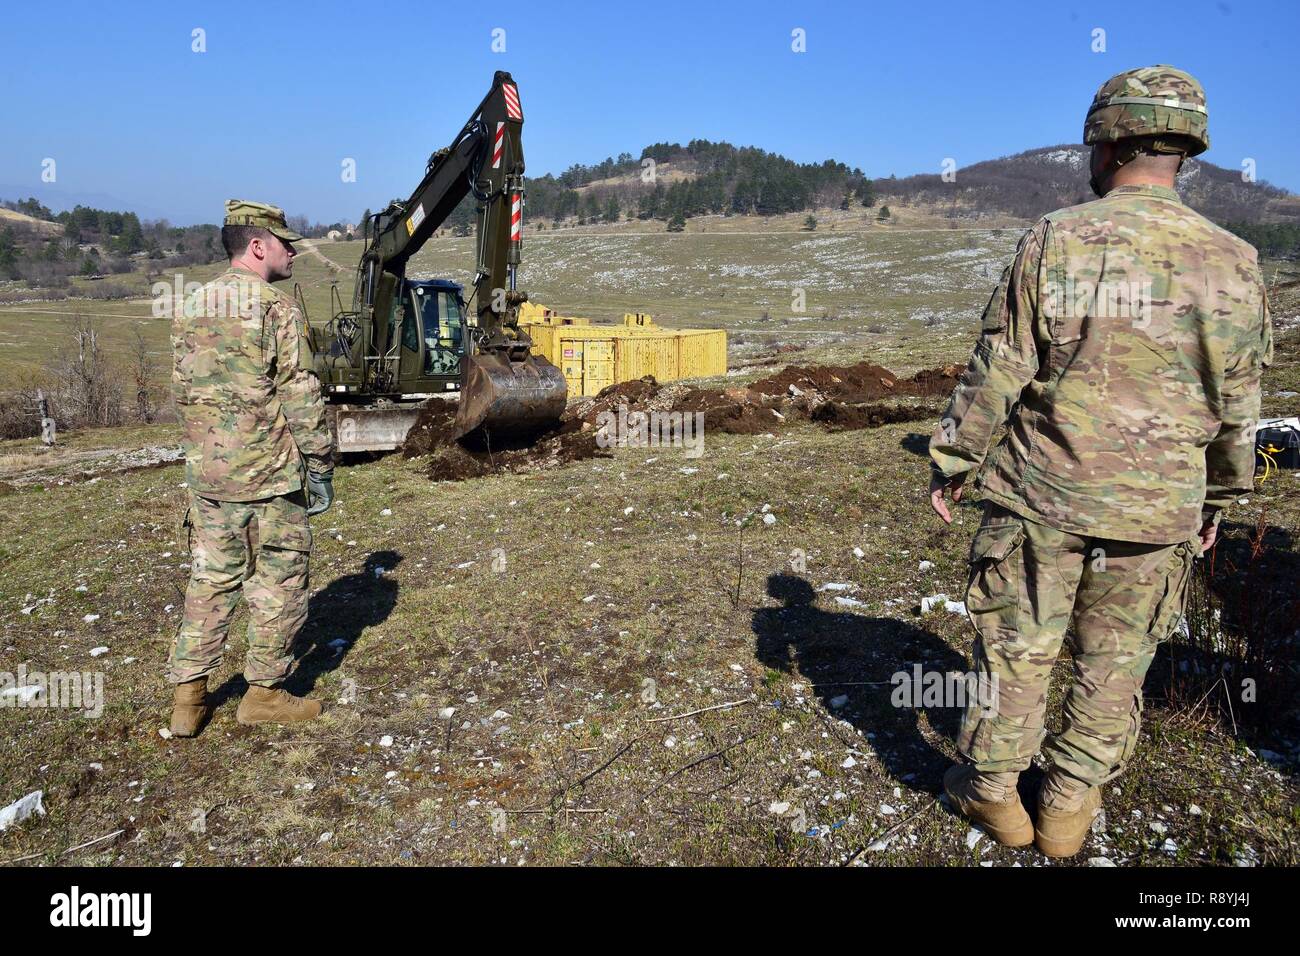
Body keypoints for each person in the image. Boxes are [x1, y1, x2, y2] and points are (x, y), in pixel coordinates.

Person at [927, 66, 1272, 857]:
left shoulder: (1057, 238)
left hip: (1042, 493)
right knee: (1115, 661)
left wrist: (954, 457)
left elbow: (1002, 362)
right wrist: (1217, 499)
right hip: (1158, 508)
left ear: (1107, 140)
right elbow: (1240, 402)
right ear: (1185, 148)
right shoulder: (1235, 261)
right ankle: (1068, 807)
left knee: (1018, 645)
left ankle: (992, 795)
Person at [168, 199, 337, 736]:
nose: (294, 252)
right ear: (259, 245)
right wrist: (320, 462)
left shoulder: (192, 302)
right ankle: (263, 693)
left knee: (212, 579)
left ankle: (189, 699)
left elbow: (183, 387)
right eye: (286, 243)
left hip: (210, 474)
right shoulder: (275, 308)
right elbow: (300, 392)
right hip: (270, 474)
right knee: (279, 580)